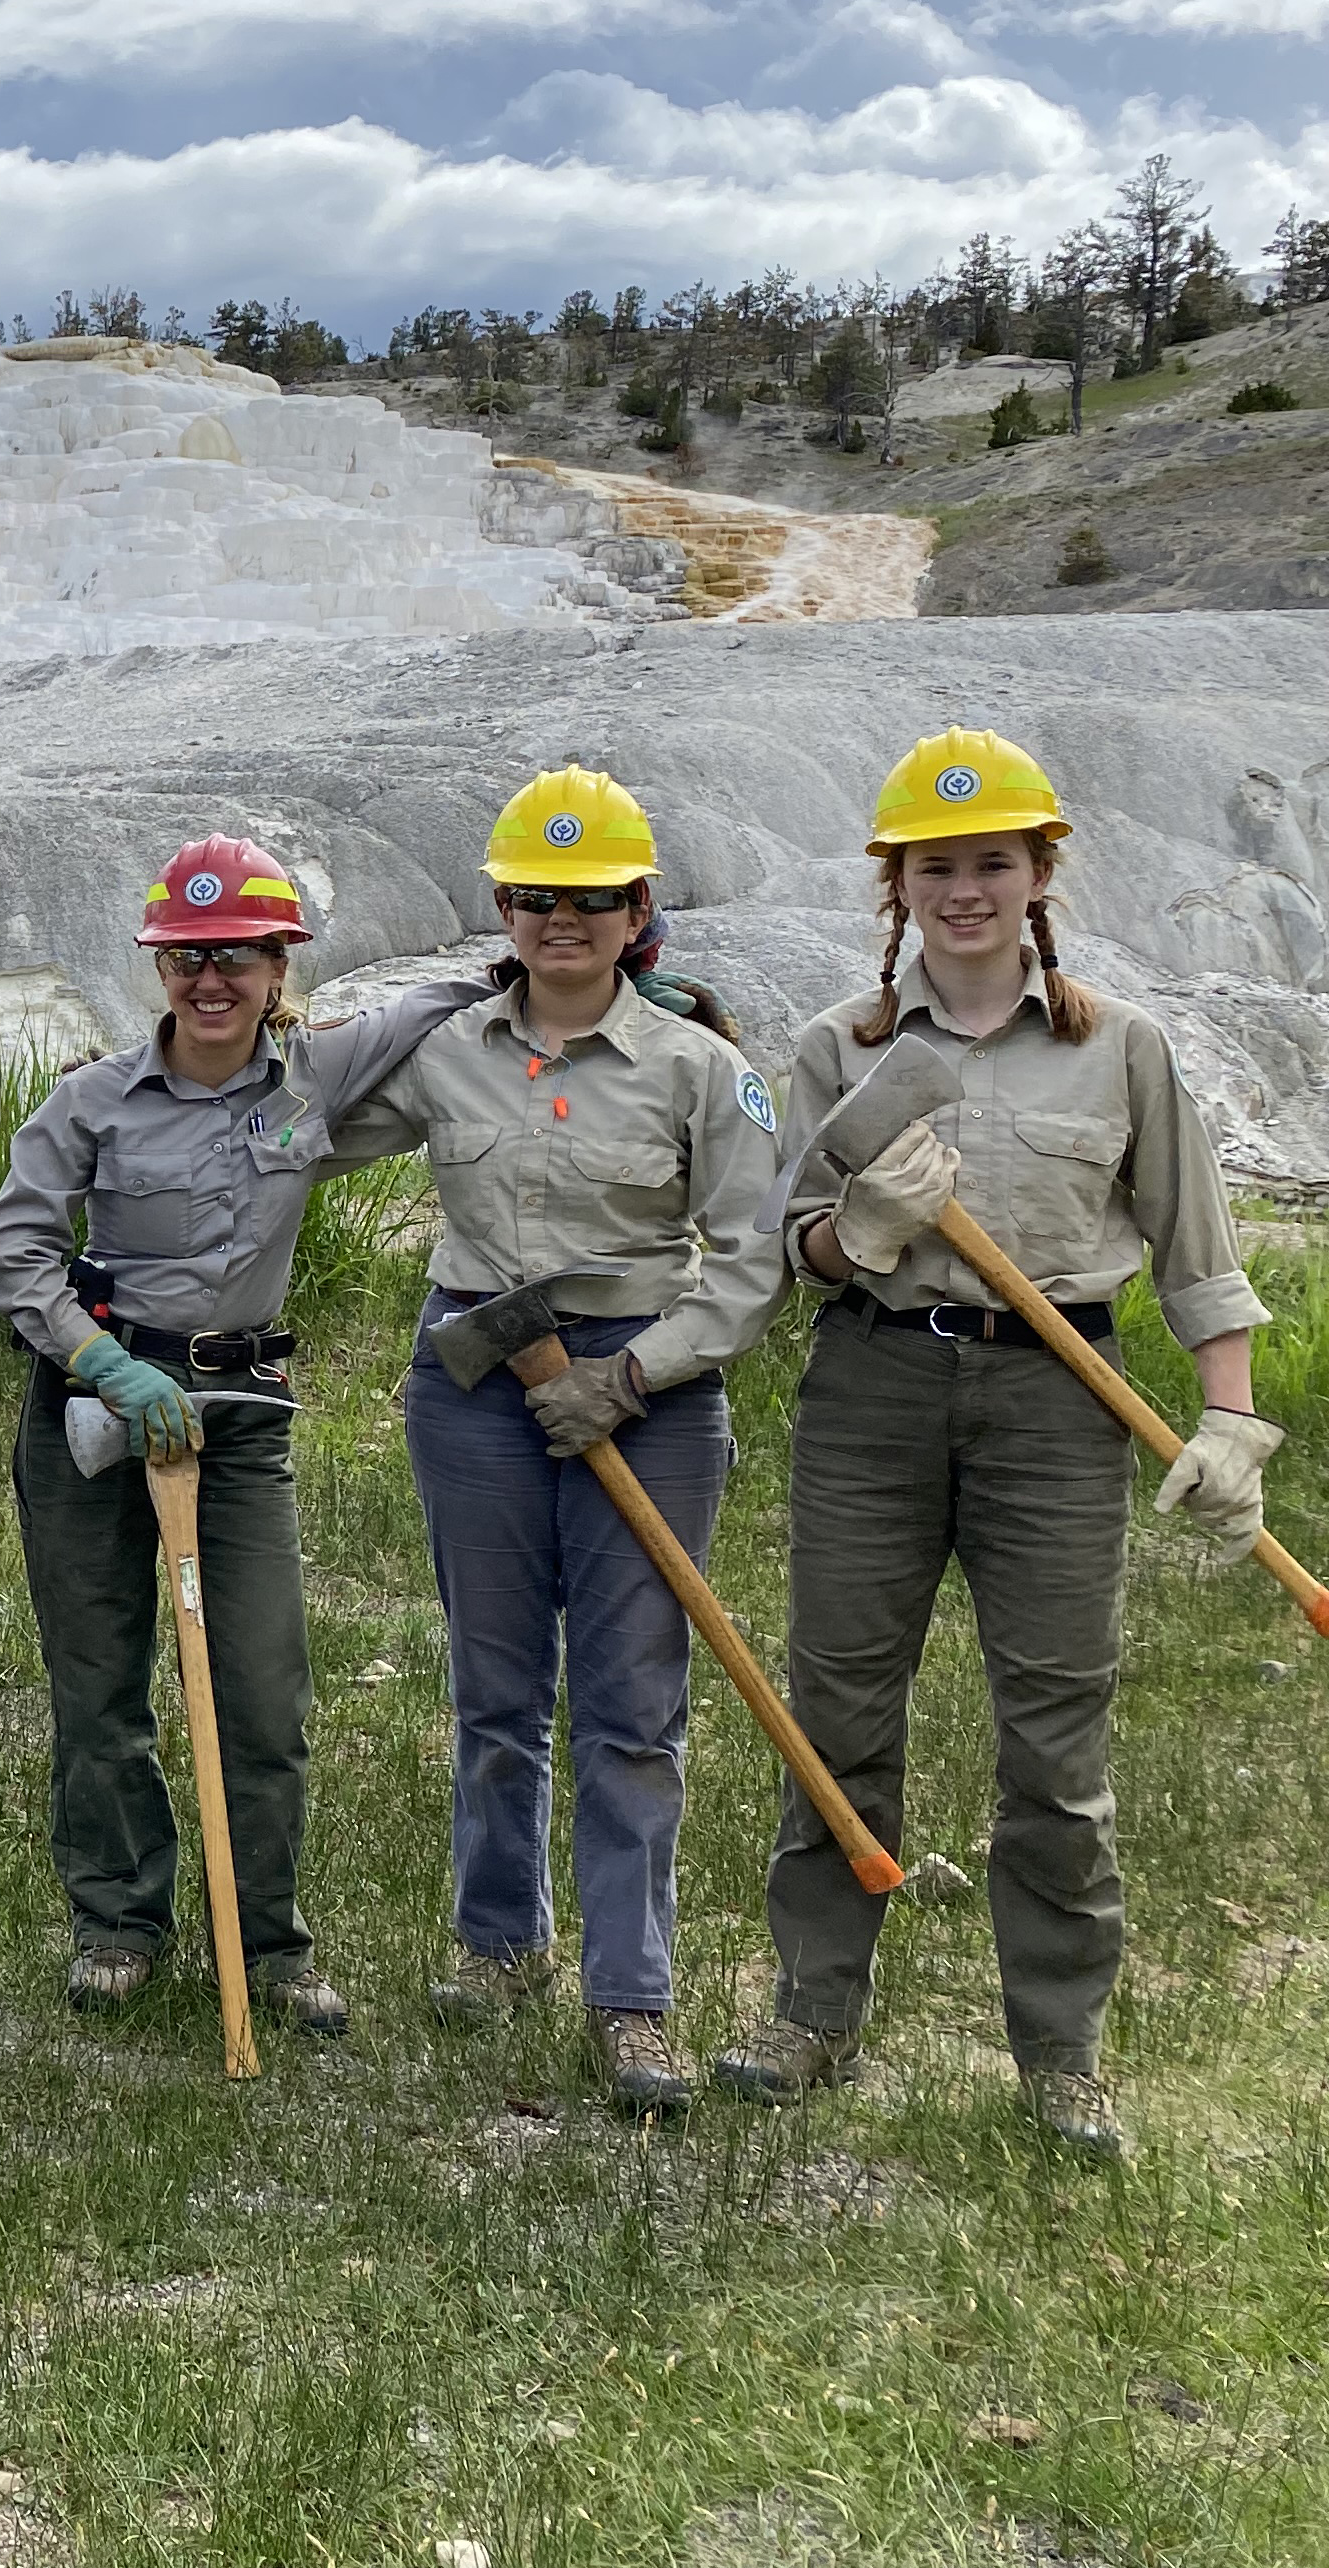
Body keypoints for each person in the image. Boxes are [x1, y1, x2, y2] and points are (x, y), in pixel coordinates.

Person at [714, 730, 1277, 2157]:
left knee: (1055, 1731)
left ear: (1038, 877)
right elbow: (786, 1249)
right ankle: (813, 2008)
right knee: (840, 1708)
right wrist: (862, 1230)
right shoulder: (838, 1049)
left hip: (1058, 1400)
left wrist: (1228, 1415)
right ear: (897, 888)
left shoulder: (1120, 1047)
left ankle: (1060, 2050)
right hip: (874, 1391)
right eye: (936, 868)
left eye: (993, 863)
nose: (964, 890)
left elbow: (1199, 1255)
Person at [0, 837, 488, 2034]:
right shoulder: (91, 1101)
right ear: (160, 968)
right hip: (94, 1408)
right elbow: (12, 1252)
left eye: (237, 958)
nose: (210, 981)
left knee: (262, 1690)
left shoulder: (317, 1075)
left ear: (278, 967)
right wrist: (100, 1361)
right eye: (187, 958)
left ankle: (267, 1944)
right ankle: (118, 1923)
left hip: (240, 1414)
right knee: (98, 1684)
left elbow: (444, 1001)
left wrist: (618, 980)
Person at [328, 770, 783, 2112]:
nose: (561, 920)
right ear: (504, 909)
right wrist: (181, 1087)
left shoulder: (702, 1067)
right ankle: (498, 1941)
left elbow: (750, 1264)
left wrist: (631, 1376)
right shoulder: (448, 1051)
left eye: (592, 899)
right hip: (475, 1380)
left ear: (639, 913)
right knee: (497, 1682)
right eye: (535, 896)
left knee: (633, 1704)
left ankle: (631, 1997)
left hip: (650, 1386)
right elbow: (300, 1135)